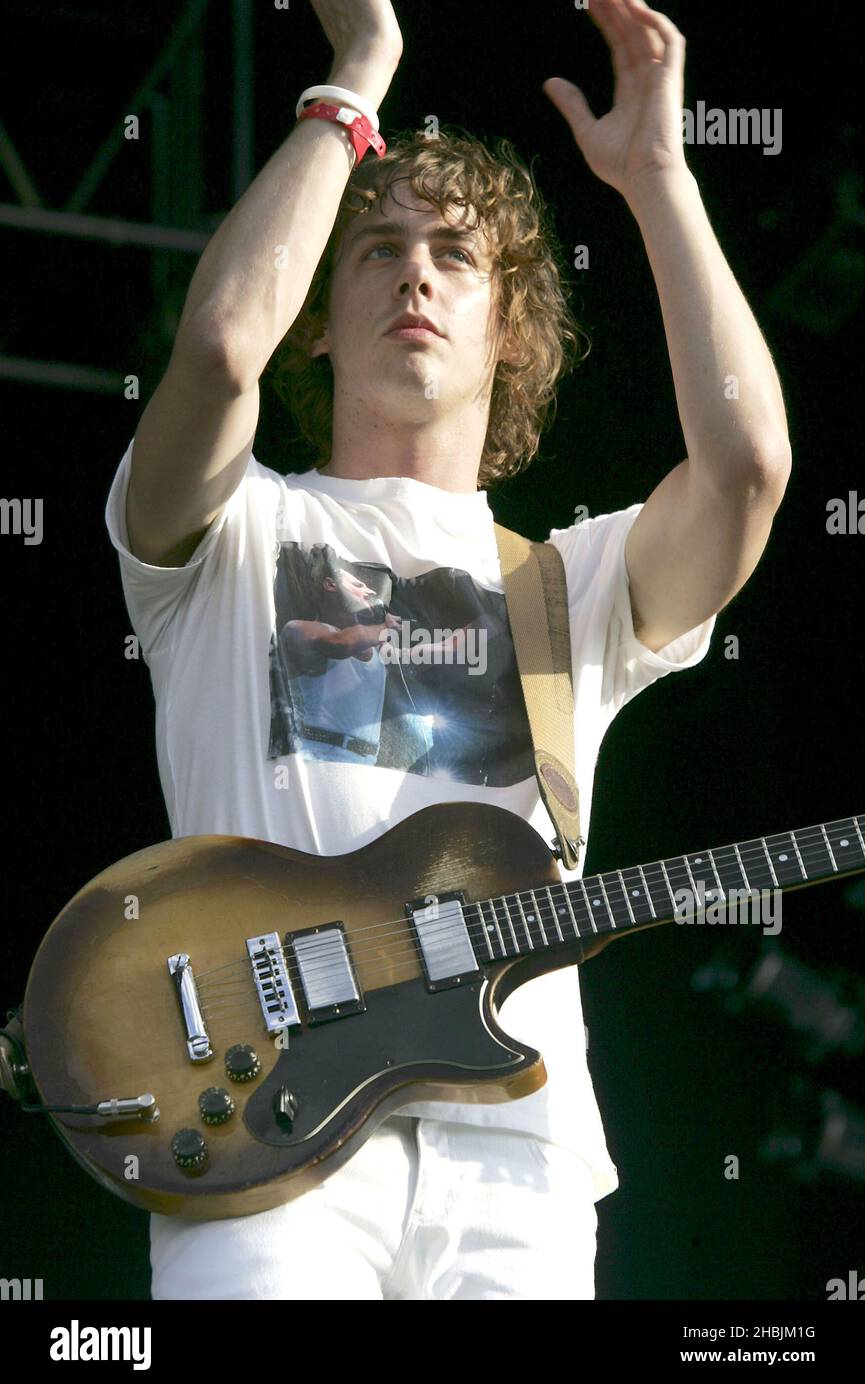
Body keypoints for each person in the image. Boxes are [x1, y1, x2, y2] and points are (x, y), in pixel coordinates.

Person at [104, 0, 791, 1300]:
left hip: (518, 1164)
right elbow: (212, 345)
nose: (414, 274)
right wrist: (353, 78)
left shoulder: (567, 581)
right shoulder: (235, 533)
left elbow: (749, 466)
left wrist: (656, 177)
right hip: (269, 1130)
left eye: (454, 256)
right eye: (375, 250)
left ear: (508, 331)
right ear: (320, 312)